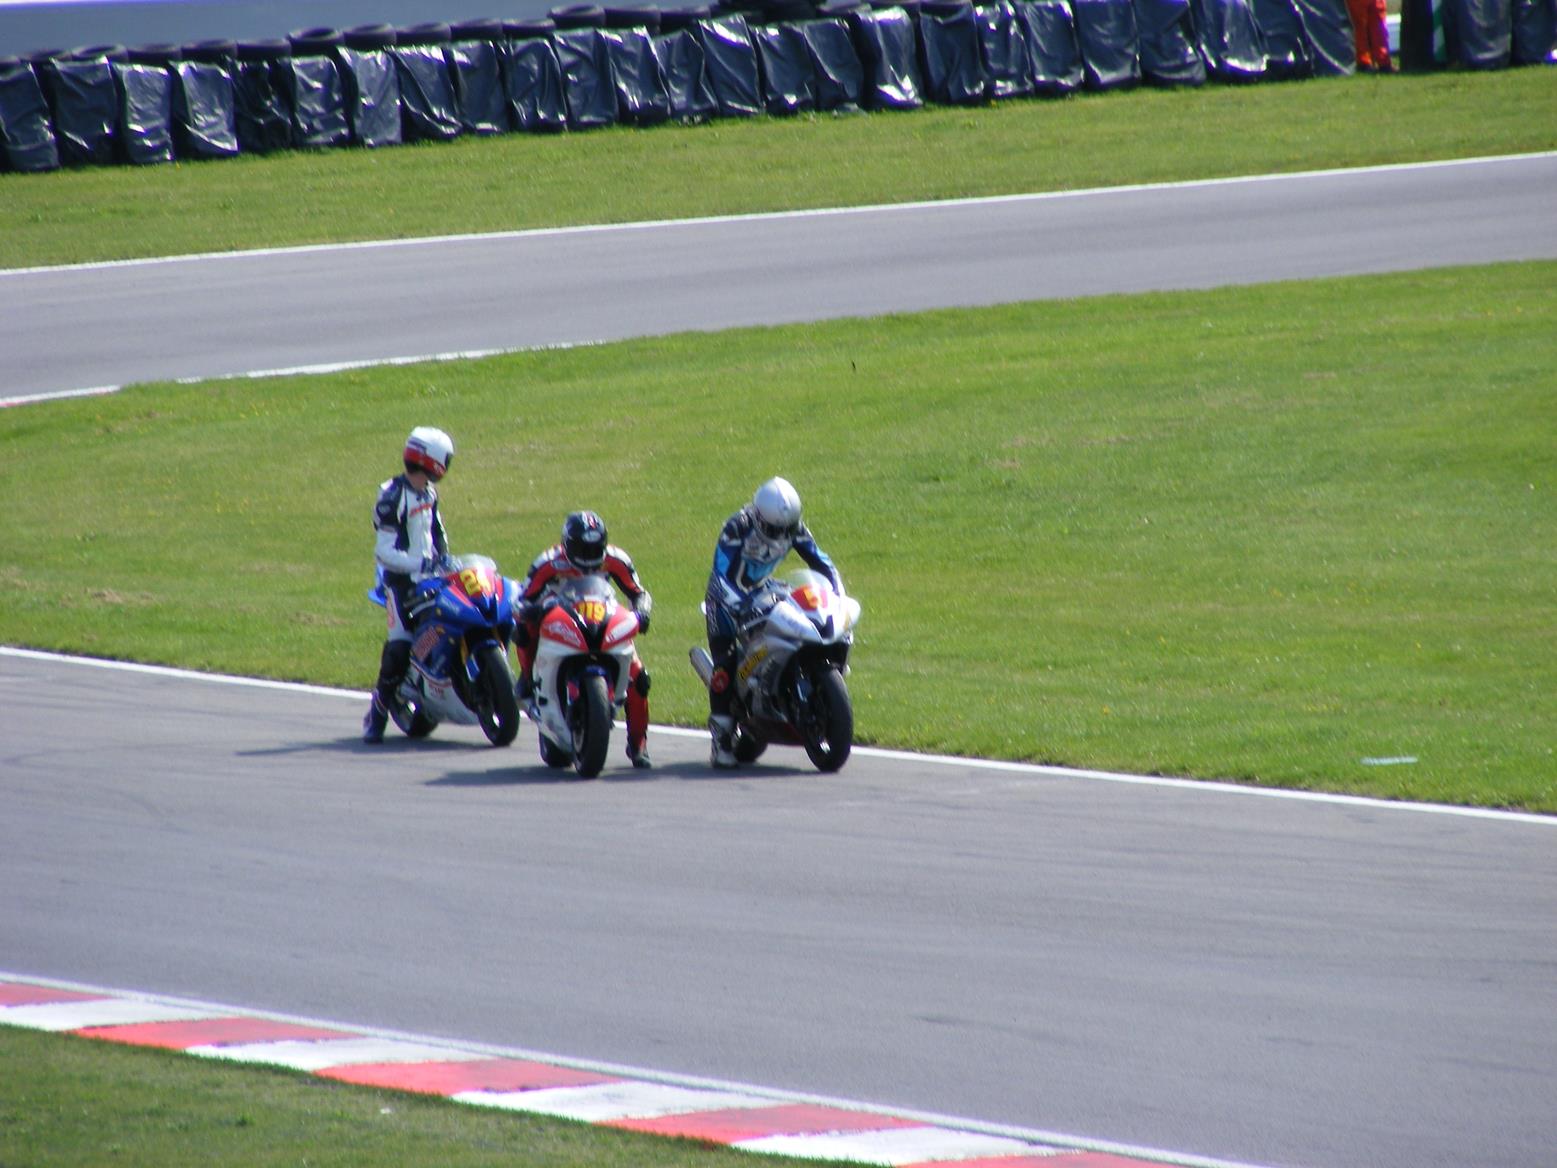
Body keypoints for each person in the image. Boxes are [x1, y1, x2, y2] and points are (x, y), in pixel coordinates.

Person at [704, 476, 840, 767]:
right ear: (759, 517)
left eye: (786, 530)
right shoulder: (736, 527)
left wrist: (837, 594)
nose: (781, 536)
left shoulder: (795, 528)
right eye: (774, 530)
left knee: (800, 619)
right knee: (724, 666)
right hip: (726, 597)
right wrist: (740, 605)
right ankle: (721, 740)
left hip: (762, 588)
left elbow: (821, 561)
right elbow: (721, 573)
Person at [516, 510, 655, 769]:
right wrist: (530, 611)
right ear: (568, 545)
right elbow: (523, 598)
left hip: (603, 618)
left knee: (640, 677)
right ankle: (526, 678)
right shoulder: (548, 562)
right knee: (523, 629)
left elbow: (638, 592)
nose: (590, 557)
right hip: (561, 618)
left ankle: (638, 745)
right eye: (583, 548)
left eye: (594, 549)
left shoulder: (616, 559)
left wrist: (643, 611)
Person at [362, 426, 455, 744]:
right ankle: (378, 712)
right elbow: (383, 551)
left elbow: (437, 532)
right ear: (433, 461)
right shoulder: (392, 495)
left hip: (431, 577)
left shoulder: (429, 493)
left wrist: (445, 558)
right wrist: (420, 564)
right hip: (398, 584)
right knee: (399, 648)